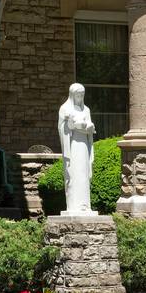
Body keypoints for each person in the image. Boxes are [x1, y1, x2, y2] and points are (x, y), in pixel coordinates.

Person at [58, 82, 95, 214]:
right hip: (73, 145)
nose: (80, 97)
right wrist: (70, 124)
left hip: (84, 145)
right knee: (74, 172)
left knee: (83, 173)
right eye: (78, 95)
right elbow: (61, 128)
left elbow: (90, 127)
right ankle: (73, 205)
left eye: (82, 95)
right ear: (72, 95)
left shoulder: (86, 110)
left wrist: (89, 128)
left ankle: (85, 204)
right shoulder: (65, 109)